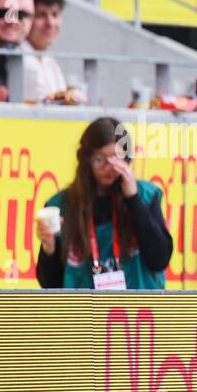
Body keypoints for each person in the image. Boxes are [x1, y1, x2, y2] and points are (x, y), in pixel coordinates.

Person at [36, 117, 174, 289]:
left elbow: (159, 260)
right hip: (86, 312)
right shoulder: (62, 205)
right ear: (87, 160)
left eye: (116, 158)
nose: (109, 167)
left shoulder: (146, 195)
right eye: (100, 159)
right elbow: (50, 285)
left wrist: (133, 199)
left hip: (137, 312)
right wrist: (48, 248)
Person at [23, 0, 79, 104]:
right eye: (41, 15)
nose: (50, 23)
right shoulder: (16, 60)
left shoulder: (49, 60)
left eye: (55, 14)